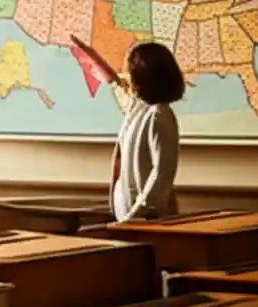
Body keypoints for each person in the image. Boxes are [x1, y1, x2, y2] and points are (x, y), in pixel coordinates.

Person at [70, 35, 184, 222]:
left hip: (146, 222)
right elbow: (117, 83)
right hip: (129, 221)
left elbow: (162, 173)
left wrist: (138, 214)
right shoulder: (138, 108)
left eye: (131, 71)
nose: (127, 76)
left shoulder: (160, 116)